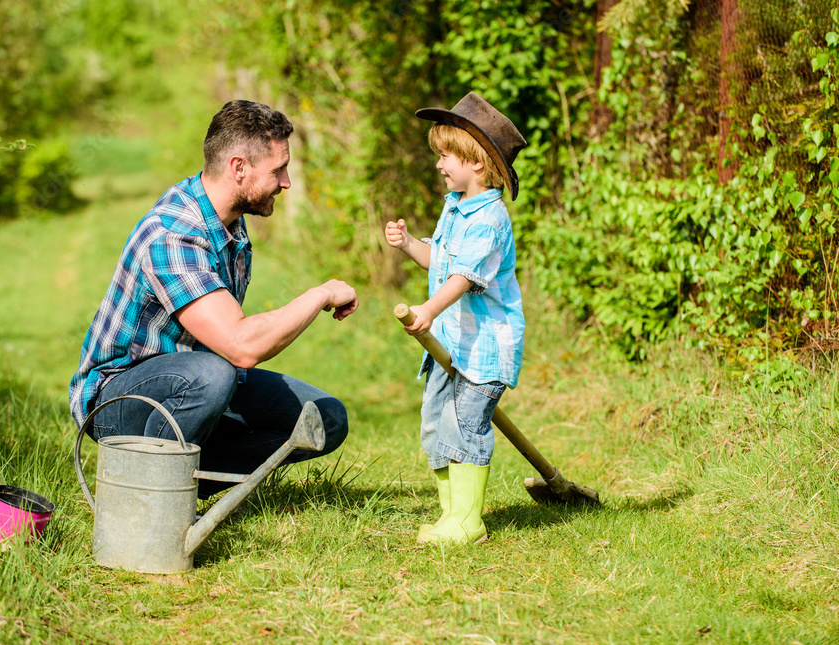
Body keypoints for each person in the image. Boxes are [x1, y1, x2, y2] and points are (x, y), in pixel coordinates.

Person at [70, 99, 358, 499]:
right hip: (119, 401)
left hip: (193, 386)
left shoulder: (229, 223)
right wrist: (321, 293)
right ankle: (145, 498)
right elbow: (242, 346)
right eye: (278, 169)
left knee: (325, 419)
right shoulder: (172, 233)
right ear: (238, 168)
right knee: (213, 374)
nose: (287, 181)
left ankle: (183, 481)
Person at [385, 92, 527, 544]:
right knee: (436, 421)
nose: (440, 164)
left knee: (467, 425)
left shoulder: (490, 219)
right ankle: (451, 515)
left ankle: (470, 521)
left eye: (447, 155)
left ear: (478, 164)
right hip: (452, 342)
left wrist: (427, 309)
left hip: (483, 348)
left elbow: (465, 276)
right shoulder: (455, 206)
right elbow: (443, 262)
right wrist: (410, 244)